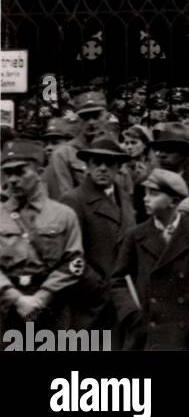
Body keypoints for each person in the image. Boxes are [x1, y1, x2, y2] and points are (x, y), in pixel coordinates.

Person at [110, 168, 189, 352]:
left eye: (154, 194)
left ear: (174, 201)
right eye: (145, 193)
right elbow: (117, 280)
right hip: (145, 332)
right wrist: (132, 316)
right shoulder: (135, 236)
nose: (146, 198)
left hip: (184, 332)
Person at [0, 140, 85, 342]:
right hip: (6, 306)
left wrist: (42, 297)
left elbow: (74, 262)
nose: (13, 179)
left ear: (39, 172)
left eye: (21, 172)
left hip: (51, 305)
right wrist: (16, 299)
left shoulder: (63, 215)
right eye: (8, 172)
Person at [61, 135, 135, 336]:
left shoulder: (124, 197)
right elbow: (70, 255)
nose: (103, 168)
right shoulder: (74, 200)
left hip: (122, 302)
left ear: (119, 166)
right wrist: (100, 290)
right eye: (96, 163)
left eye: (109, 163)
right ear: (87, 165)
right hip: (91, 304)